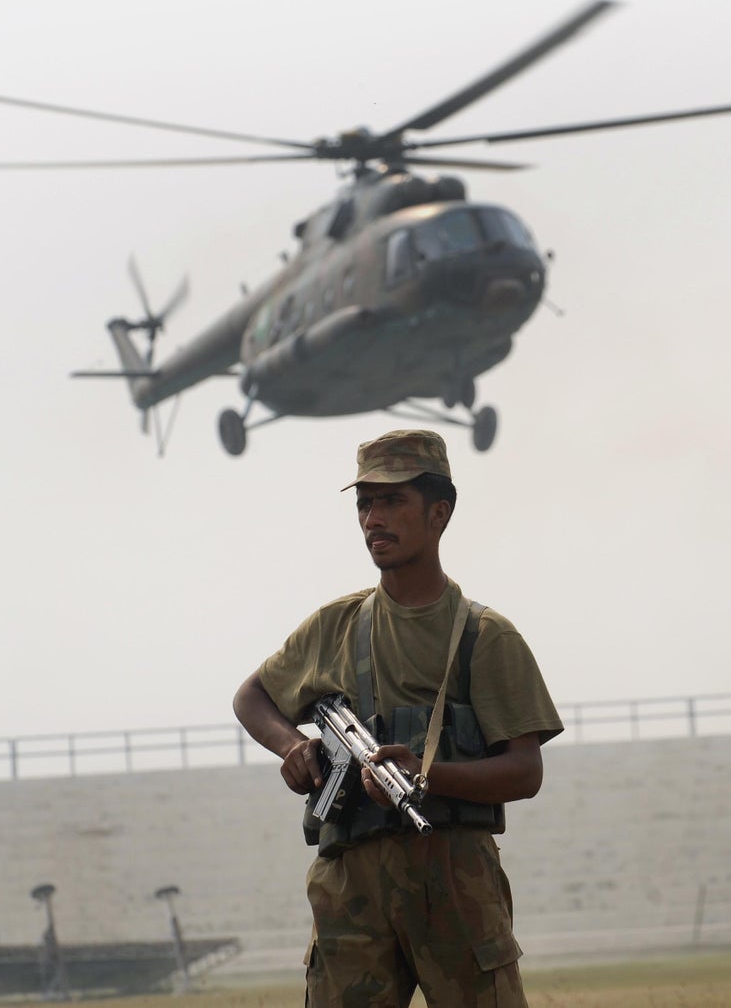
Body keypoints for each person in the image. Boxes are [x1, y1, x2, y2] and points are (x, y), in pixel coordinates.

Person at [232, 429, 563, 1007]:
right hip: (350, 882)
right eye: (365, 503)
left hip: (453, 878)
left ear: (440, 513)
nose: (373, 519)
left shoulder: (485, 637)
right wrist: (291, 747)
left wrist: (427, 777)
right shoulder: (334, 626)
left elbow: (524, 771)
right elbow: (251, 696)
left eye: (392, 502)